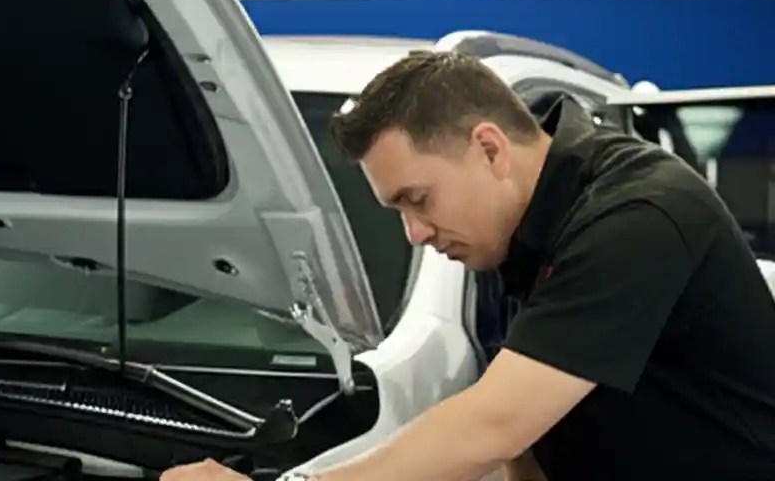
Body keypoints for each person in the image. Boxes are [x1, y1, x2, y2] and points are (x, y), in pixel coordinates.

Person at [162, 51, 775, 481]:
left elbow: (493, 425)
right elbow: (534, 440)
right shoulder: (512, 228)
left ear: (489, 148)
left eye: (417, 200)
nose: (415, 233)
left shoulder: (636, 217)